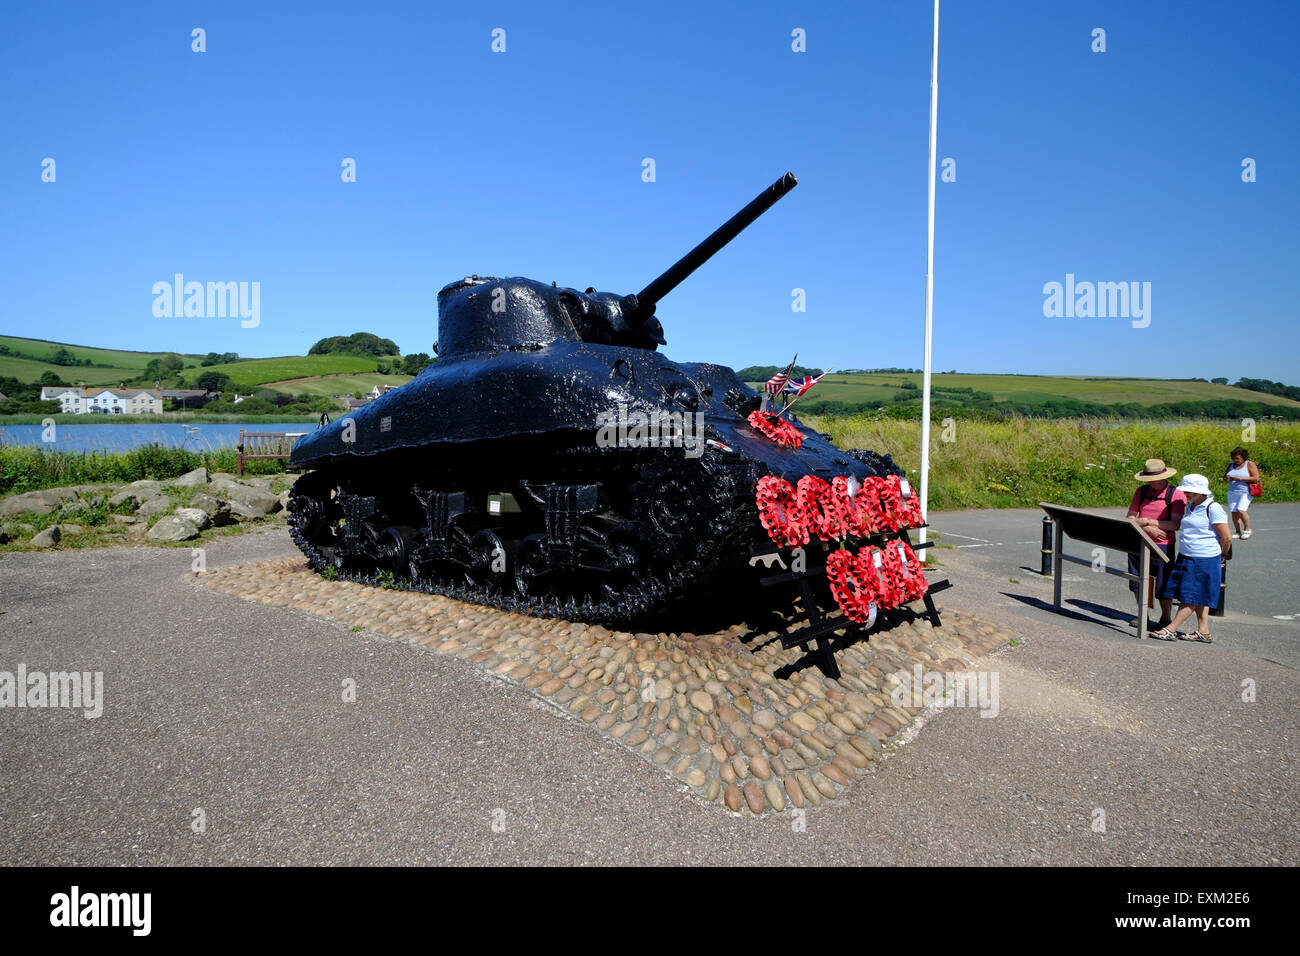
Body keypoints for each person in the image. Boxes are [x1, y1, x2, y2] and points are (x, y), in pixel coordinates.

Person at [1151, 474, 1231, 643]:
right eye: (1186, 490)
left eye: (1190, 491)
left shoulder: (1213, 508)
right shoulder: (1192, 506)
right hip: (1187, 555)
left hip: (1204, 558)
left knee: (1191, 596)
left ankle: (1171, 629)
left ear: (1201, 492)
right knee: (1197, 594)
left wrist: (1222, 556)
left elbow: (1226, 537)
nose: (1186, 493)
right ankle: (1204, 631)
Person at [1127, 458, 1185, 632]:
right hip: (1139, 540)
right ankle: (1142, 614)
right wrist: (1147, 527)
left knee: (1163, 583)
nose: (1151, 484)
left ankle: (1165, 618)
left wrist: (1146, 522)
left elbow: (1174, 525)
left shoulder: (1176, 494)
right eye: (1148, 480)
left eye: (1154, 480)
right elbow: (1130, 518)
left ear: (1164, 477)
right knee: (1137, 579)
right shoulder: (1141, 491)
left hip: (1163, 545)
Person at [1223, 446, 1260, 539]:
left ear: (1243, 457)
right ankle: (1238, 531)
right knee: (1234, 512)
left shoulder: (1249, 464)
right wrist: (1226, 479)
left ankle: (1247, 529)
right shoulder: (1231, 465)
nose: (1235, 460)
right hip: (1232, 492)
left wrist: (1239, 478)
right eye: (1234, 458)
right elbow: (1225, 476)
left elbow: (1256, 478)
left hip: (1245, 491)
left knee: (1241, 510)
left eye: (1237, 458)